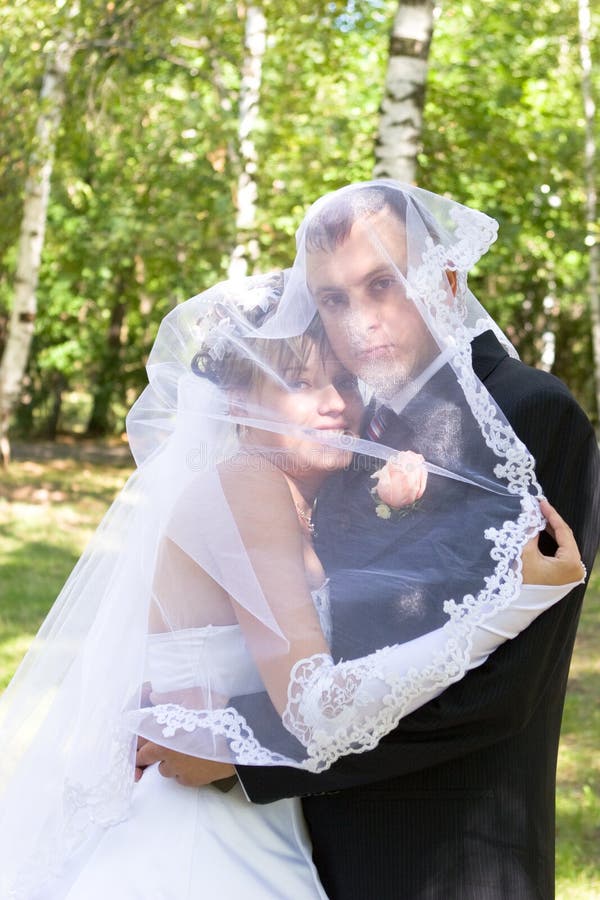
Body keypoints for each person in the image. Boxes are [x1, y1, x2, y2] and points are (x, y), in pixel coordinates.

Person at [0, 266, 583, 900]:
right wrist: (508, 608)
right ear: (237, 402)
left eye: (343, 381)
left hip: (271, 824)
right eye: (299, 383)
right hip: (201, 838)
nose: (334, 403)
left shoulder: (307, 496)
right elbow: (315, 703)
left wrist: (394, 506)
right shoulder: (248, 484)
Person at [153, 183, 600, 900]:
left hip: (449, 852)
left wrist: (239, 748)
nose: (359, 322)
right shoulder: (344, 437)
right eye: (333, 299)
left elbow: (502, 688)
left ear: (444, 282)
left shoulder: (528, 413)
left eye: (382, 285)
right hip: (314, 847)